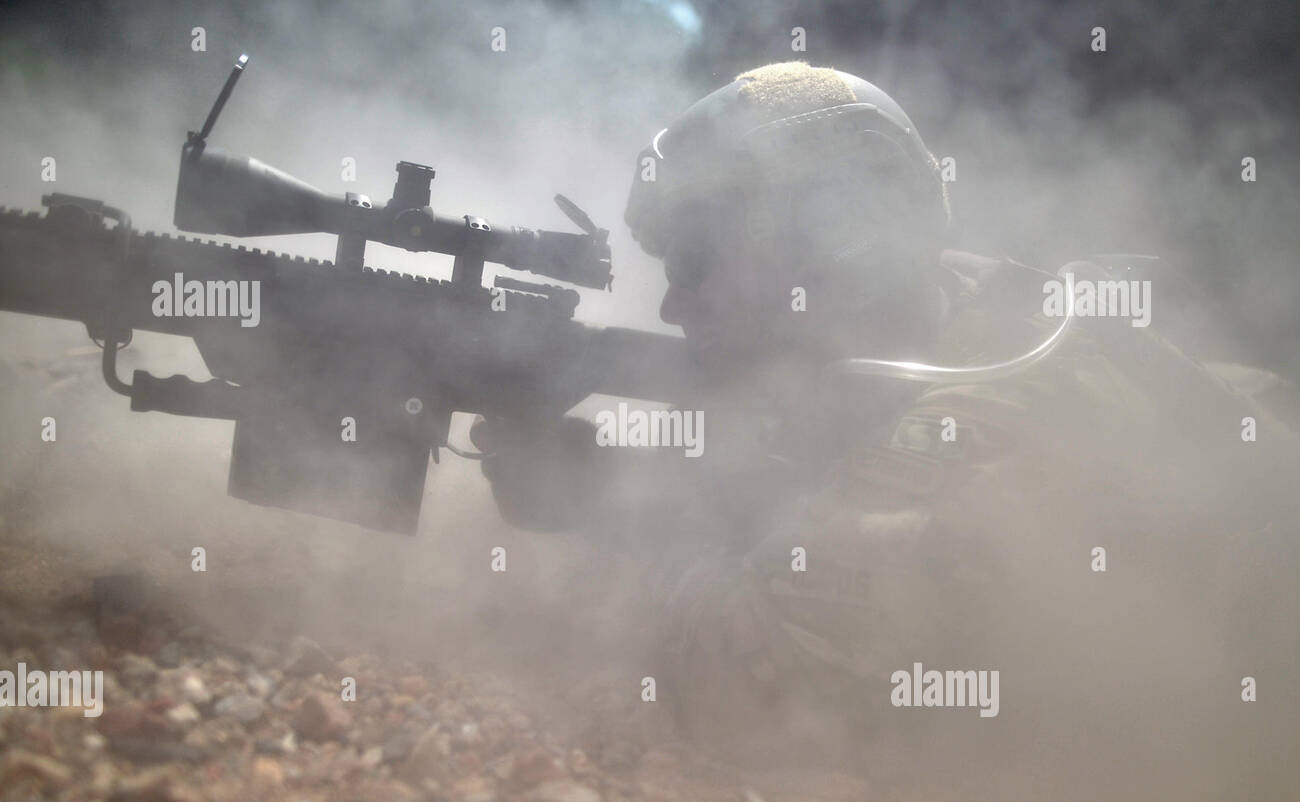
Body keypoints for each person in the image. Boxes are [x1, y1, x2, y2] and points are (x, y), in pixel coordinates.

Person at [471, 62, 1299, 756]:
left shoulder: (977, 419)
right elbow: (792, 492)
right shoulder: (941, 306)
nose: (672, 309)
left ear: (835, 251)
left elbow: (753, 674)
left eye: (694, 261)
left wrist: (605, 506)